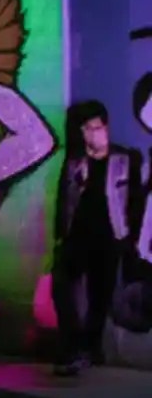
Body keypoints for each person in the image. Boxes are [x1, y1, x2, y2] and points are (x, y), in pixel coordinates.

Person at [51, 100, 143, 375]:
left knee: (98, 297)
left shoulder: (125, 160)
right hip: (76, 238)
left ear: (106, 127)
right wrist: (60, 235)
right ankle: (74, 347)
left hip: (110, 237)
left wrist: (131, 242)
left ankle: (90, 350)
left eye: (98, 127)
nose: (94, 134)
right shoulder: (75, 163)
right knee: (63, 289)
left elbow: (135, 202)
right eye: (88, 129)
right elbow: (63, 200)